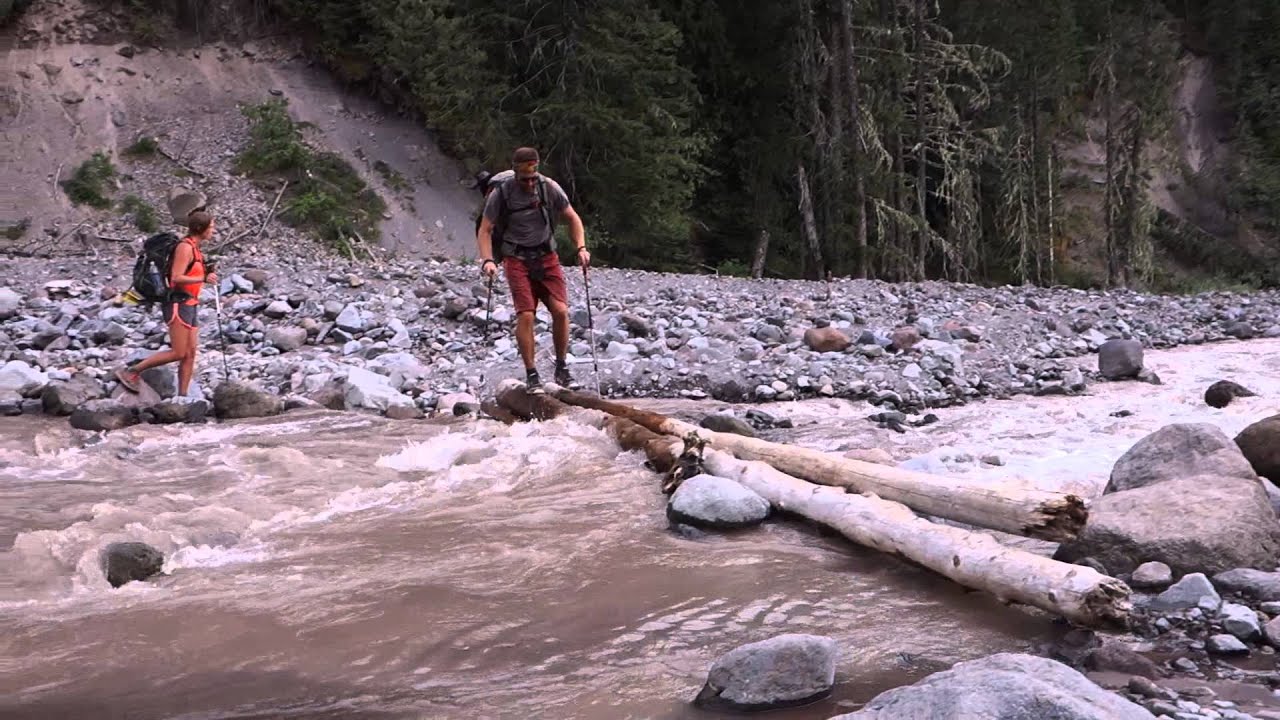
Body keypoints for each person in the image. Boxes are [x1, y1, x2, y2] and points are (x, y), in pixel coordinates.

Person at [476, 147, 589, 394]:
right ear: (516, 173)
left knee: (560, 311)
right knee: (526, 315)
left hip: (547, 256)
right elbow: (485, 230)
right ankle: (532, 374)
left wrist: (581, 247)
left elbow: (573, 218)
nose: (529, 183)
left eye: (532, 178)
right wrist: (488, 261)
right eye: (524, 179)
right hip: (516, 259)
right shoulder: (501, 193)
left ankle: (561, 368)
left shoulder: (548, 187)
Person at [115, 210, 218, 398]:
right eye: (211, 227)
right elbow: (176, 277)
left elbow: (193, 274)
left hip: (191, 303)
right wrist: (202, 277)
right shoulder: (185, 248)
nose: (213, 230)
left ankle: (183, 398)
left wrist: (206, 272)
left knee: (190, 353)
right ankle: (132, 371)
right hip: (177, 302)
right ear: (199, 228)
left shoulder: (196, 249)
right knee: (179, 352)